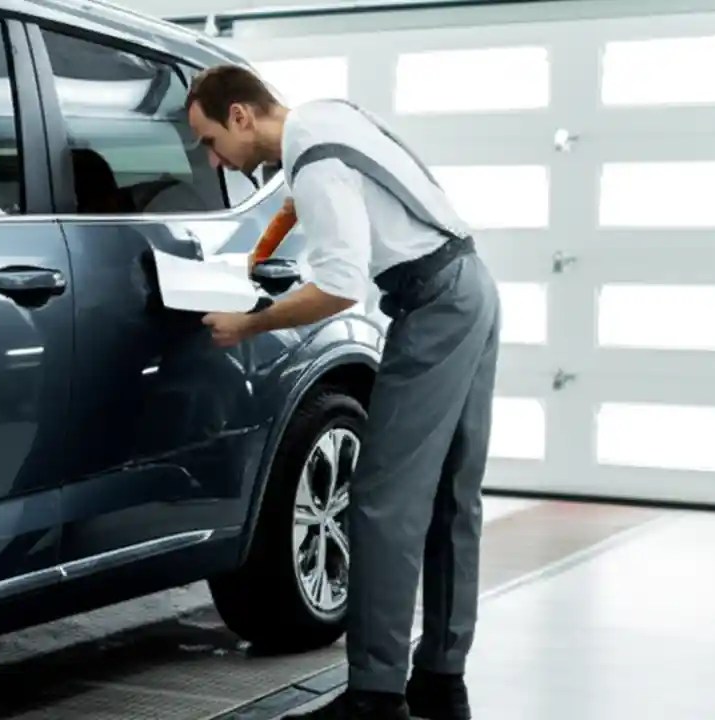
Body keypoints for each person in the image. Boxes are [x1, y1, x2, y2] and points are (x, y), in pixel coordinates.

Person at [185, 65, 501, 720]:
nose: (213, 157)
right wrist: (261, 251)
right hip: (471, 285)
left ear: (241, 116)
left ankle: (374, 697)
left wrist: (250, 321)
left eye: (211, 140)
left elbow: (340, 286)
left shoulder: (312, 157)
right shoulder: (325, 118)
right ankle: (442, 681)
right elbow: (309, 204)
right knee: (451, 497)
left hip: (435, 305)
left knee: (382, 499)